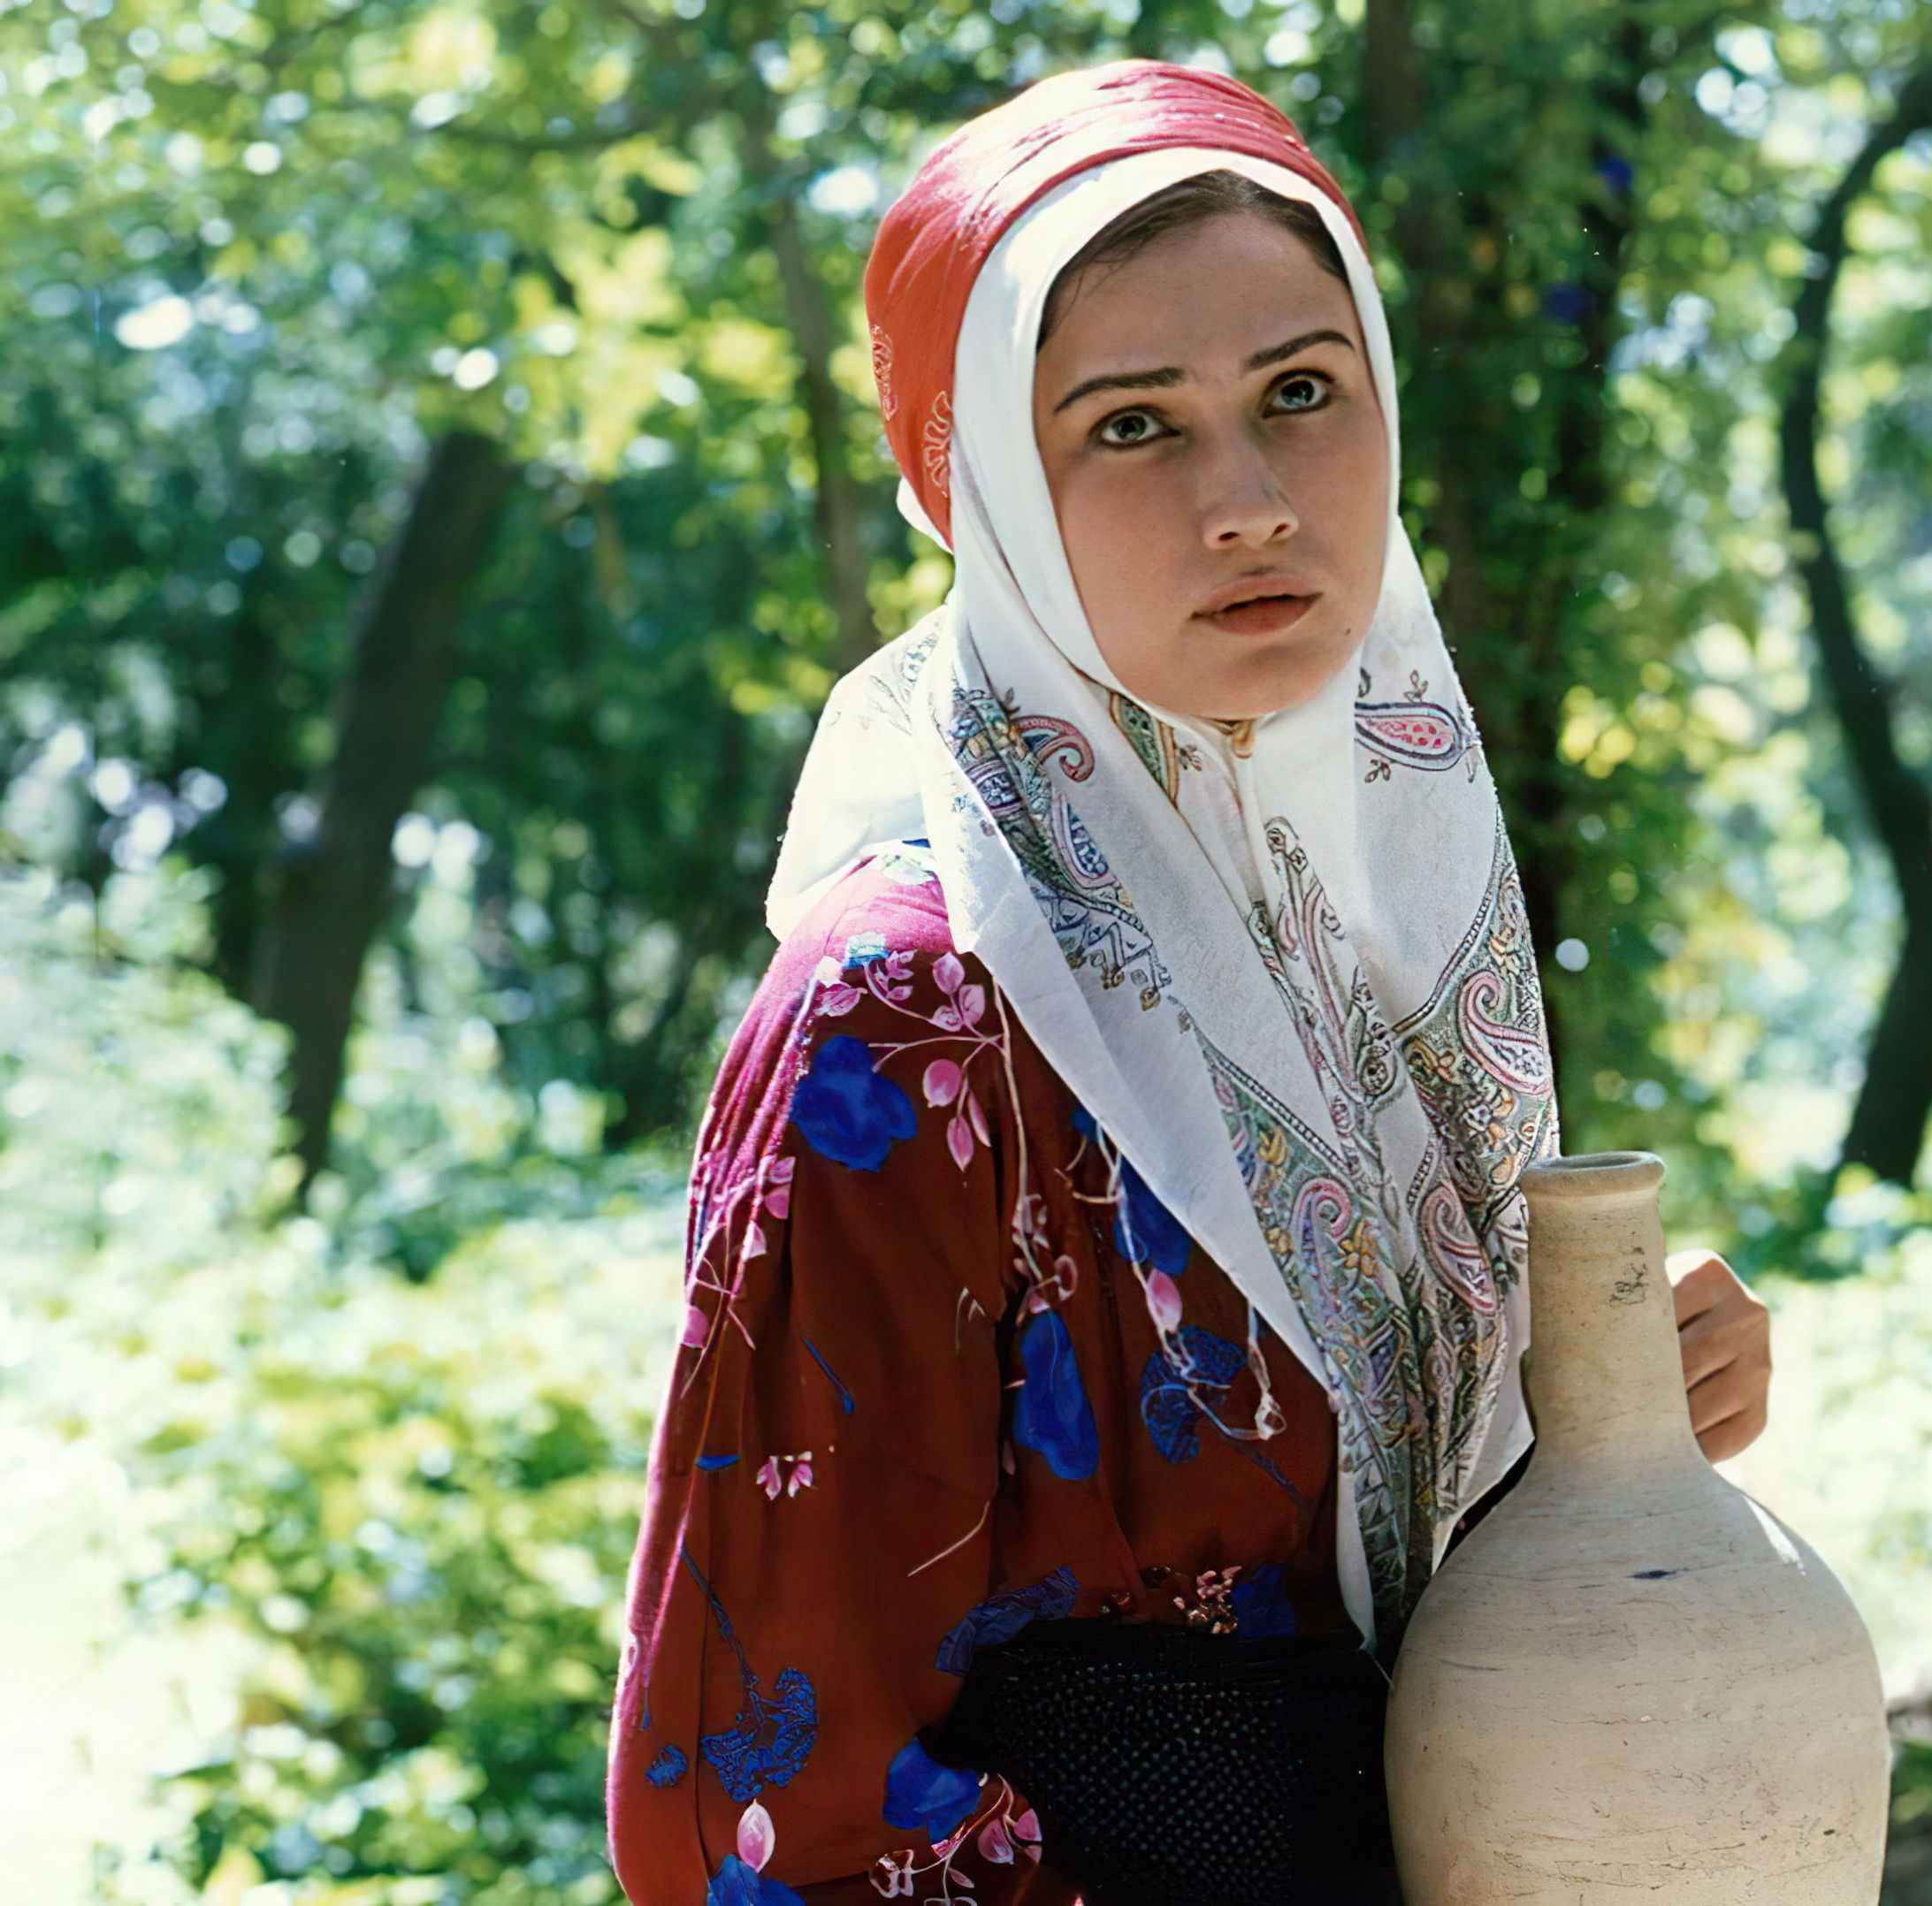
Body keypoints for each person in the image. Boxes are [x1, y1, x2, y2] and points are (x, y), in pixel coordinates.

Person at [603, 61, 1773, 1906]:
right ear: (978, 485)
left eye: (1301, 393)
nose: (1248, 500)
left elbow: (1367, 1559)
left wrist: (1601, 1413)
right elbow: (757, 1825)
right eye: (1132, 427)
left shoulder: (1361, 922)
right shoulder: (906, 1016)